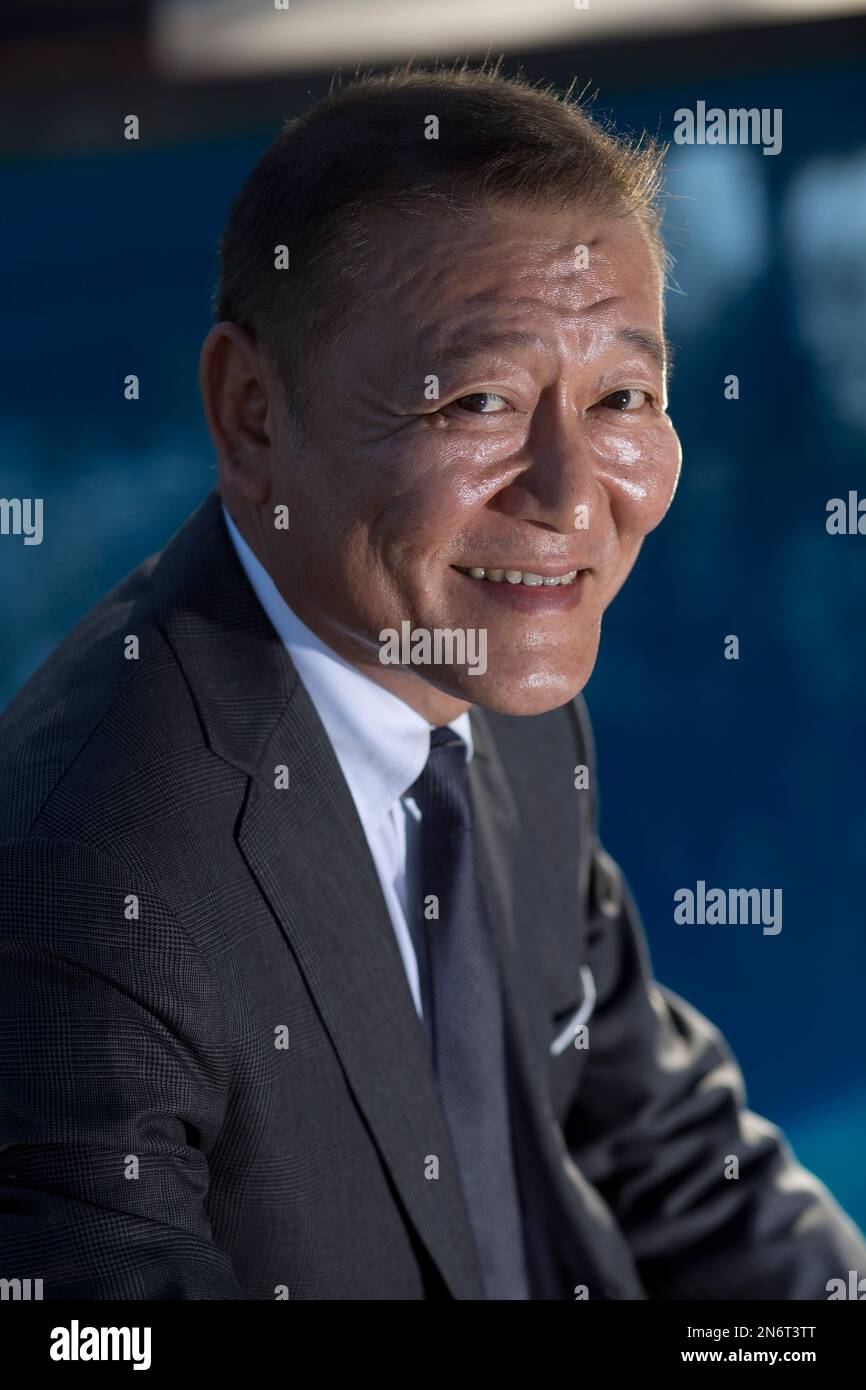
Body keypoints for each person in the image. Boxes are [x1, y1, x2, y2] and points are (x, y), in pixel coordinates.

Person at [1, 63, 864, 1300]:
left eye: (622, 395)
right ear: (250, 416)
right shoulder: (86, 884)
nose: (573, 499)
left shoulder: (495, 696)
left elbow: (659, 1145)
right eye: (477, 402)